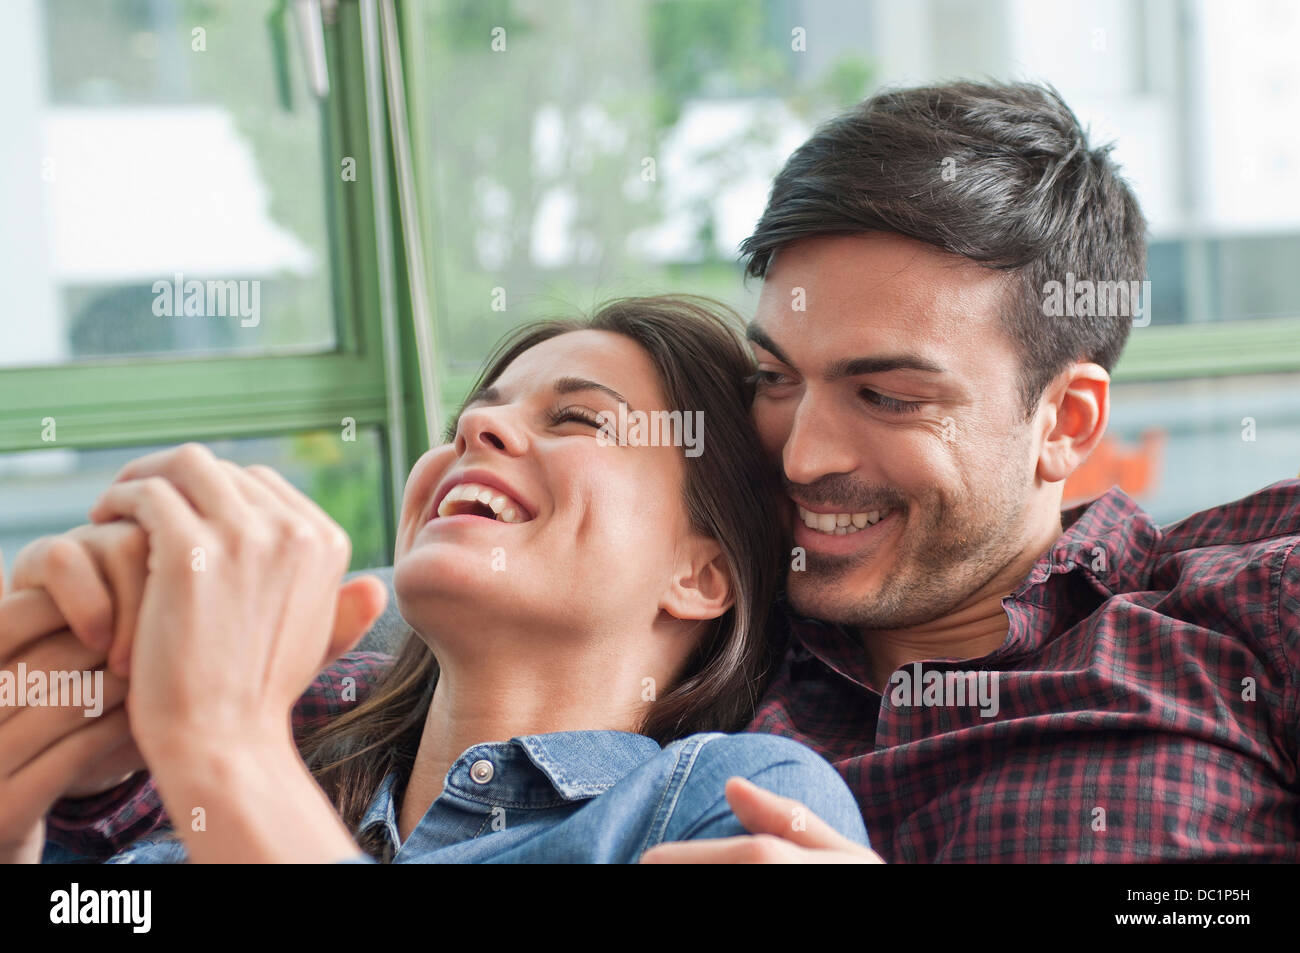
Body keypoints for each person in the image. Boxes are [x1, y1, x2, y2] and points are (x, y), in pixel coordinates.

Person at [23, 79, 1300, 863]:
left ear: (1064, 420)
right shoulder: (598, 665)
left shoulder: (1230, 616)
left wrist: (217, 741)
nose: (801, 453)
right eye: (776, 378)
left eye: (886, 394)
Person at [2, 296, 869, 863]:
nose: (475, 432)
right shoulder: (203, 809)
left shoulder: (737, 798)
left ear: (702, 574)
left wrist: (225, 743)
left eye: (577, 418)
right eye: (471, 416)